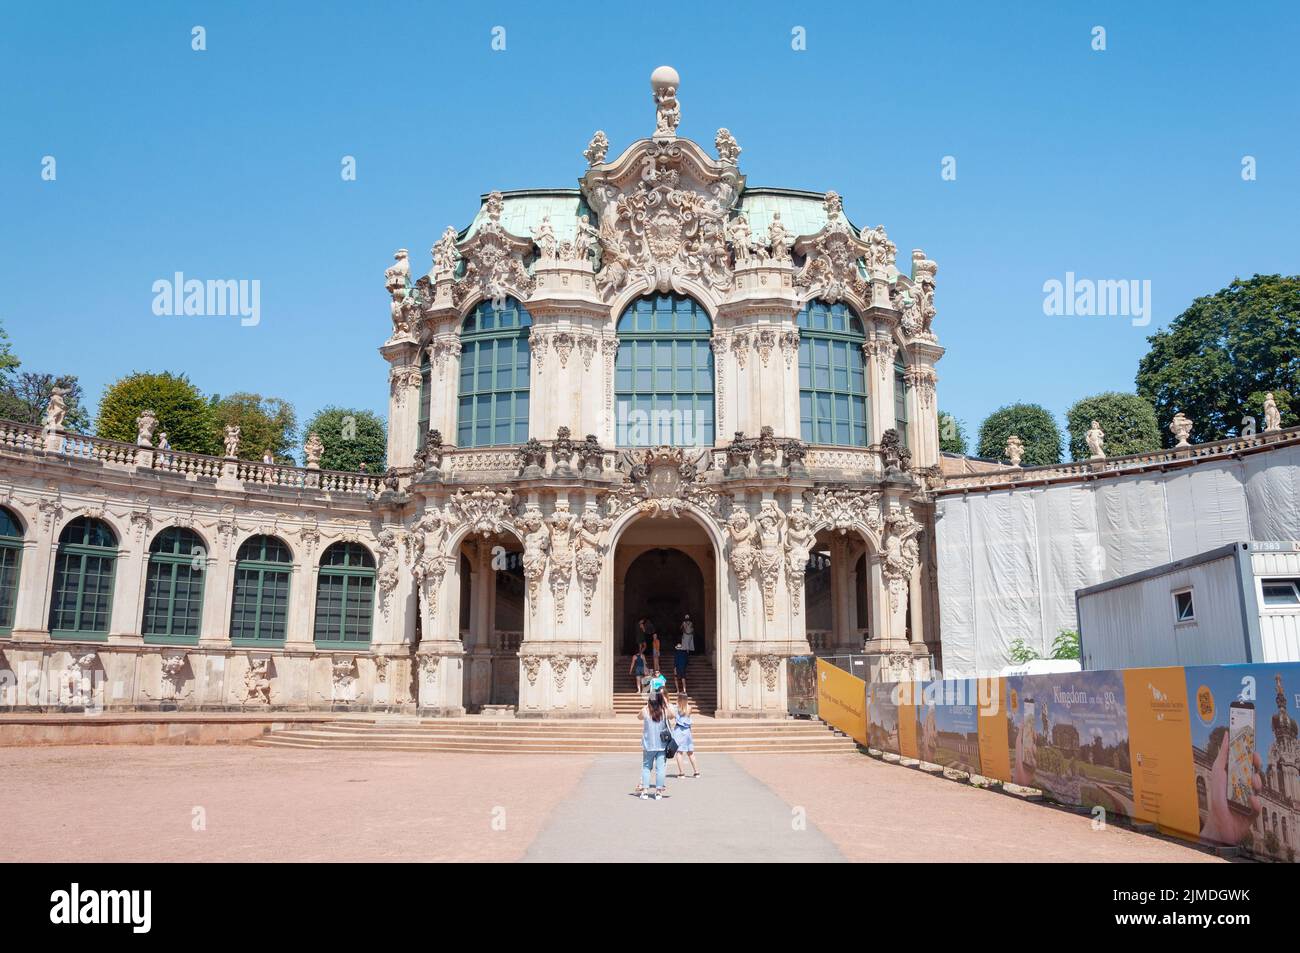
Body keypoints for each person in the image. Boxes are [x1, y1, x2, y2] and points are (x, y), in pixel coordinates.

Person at [635, 682, 675, 800]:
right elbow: (672, 715)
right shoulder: (663, 711)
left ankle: (645, 791)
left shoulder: (646, 710)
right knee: (660, 768)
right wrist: (665, 704)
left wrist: (646, 706)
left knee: (646, 767)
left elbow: (638, 716)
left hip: (648, 744)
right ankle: (658, 792)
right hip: (661, 744)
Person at [671, 694, 700, 779]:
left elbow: (672, 715)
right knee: (690, 752)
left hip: (679, 730)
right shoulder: (689, 708)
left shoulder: (676, 708)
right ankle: (696, 772)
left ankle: (681, 773)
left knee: (679, 752)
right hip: (687, 730)